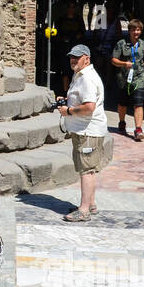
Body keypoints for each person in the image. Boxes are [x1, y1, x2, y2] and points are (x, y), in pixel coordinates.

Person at [58, 44, 109, 221]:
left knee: (86, 170)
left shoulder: (87, 77)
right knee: (88, 169)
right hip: (84, 130)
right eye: (71, 56)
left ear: (86, 59)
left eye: (77, 57)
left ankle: (84, 210)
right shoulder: (80, 74)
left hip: (88, 131)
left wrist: (69, 111)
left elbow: (89, 107)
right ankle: (91, 204)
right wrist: (67, 101)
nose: (73, 60)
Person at [111, 18, 144, 141]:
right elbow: (113, 60)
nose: (136, 32)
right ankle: (122, 121)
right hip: (123, 79)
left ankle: (138, 129)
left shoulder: (143, 44)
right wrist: (124, 63)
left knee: (138, 104)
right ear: (129, 31)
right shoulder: (121, 44)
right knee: (122, 104)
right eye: (134, 30)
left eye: (139, 30)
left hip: (139, 78)